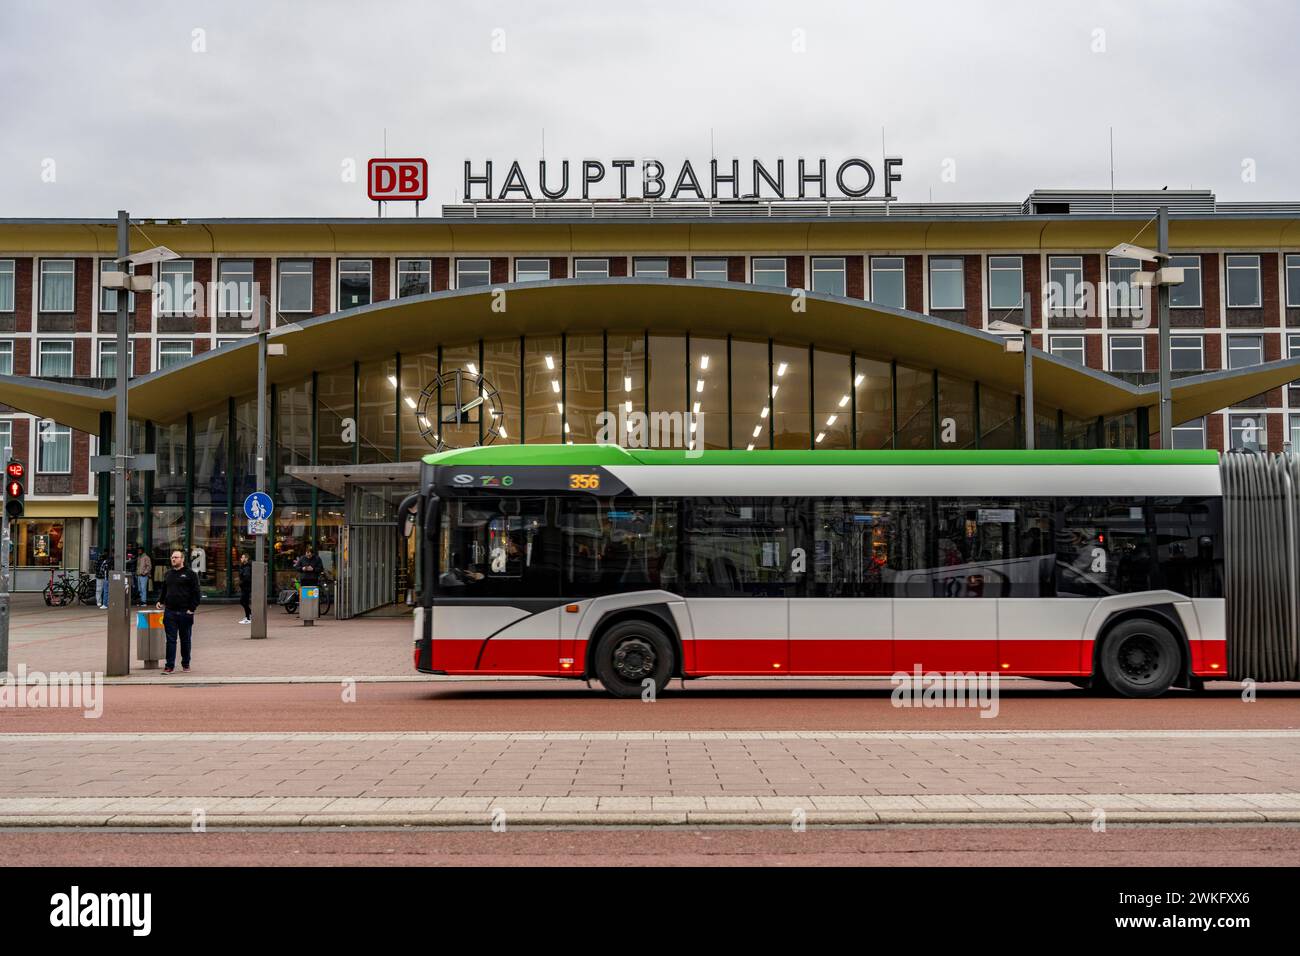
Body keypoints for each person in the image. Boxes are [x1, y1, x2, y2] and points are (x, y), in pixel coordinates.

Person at [155, 549, 201, 675]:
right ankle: (169, 666)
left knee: (185, 640)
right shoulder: (168, 574)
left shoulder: (190, 574)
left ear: (182, 559)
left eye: (176, 557)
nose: (173, 559)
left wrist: (191, 609)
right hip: (170, 612)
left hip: (185, 613)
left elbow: (196, 593)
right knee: (170, 640)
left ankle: (186, 663)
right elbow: (164, 589)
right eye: (172, 557)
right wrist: (160, 600)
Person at [237, 553, 252, 624]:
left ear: (246, 559)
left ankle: (248, 618)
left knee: (243, 602)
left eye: (243, 557)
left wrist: (241, 583)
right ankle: (249, 616)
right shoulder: (244, 566)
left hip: (246, 587)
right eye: (241, 557)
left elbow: (246, 577)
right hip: (245, 587)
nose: (241, 559)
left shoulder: (247, 567)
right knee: (244, 602)